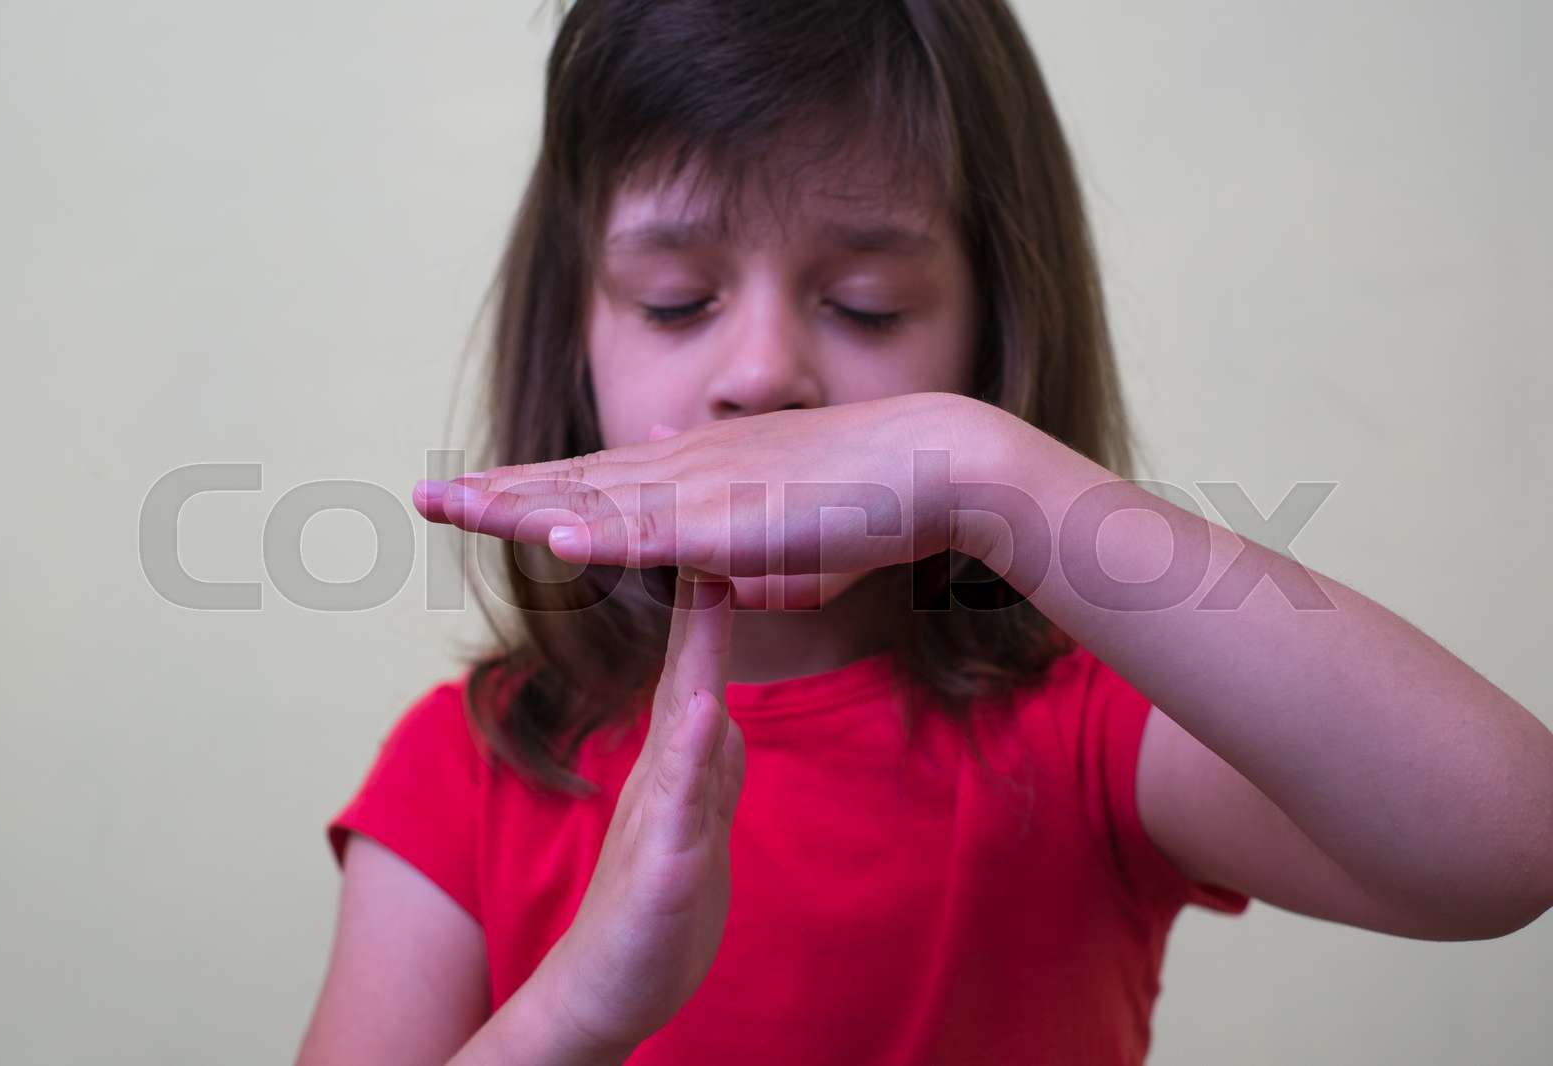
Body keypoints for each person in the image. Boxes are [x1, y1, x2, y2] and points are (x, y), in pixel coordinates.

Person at [296, 2, 1553, 1064]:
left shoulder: (1087, 721)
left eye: (867, 302)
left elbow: (1510, 841)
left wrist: (984, 470)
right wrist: (574, 1008)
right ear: (574, 328)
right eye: (676, 301)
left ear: (990, 327)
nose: (762, 372)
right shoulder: (468, 769)